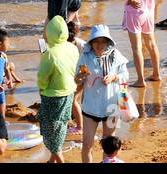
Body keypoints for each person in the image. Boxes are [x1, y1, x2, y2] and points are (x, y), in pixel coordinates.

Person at [76, 24, 128, 163]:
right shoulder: (85, 57)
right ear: (91, 42)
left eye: (103, 42)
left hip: (111, 107)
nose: (100, 45)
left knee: (109, 147)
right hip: (90, 108)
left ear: (108, 42)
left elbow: (125, 75)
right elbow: (77, 79)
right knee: (87, 145)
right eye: (96, 41)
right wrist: (80, 77)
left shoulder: (116, 55)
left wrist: (113, 77)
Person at [36, 15, 79, 163]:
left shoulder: (50, 53)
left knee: (51, 133)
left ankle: (58, 159)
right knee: (60, 128)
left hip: (52, 96)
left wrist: (41, 89)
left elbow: (42, 77)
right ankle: (52, 161)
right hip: (69, 93)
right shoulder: (72, 48)